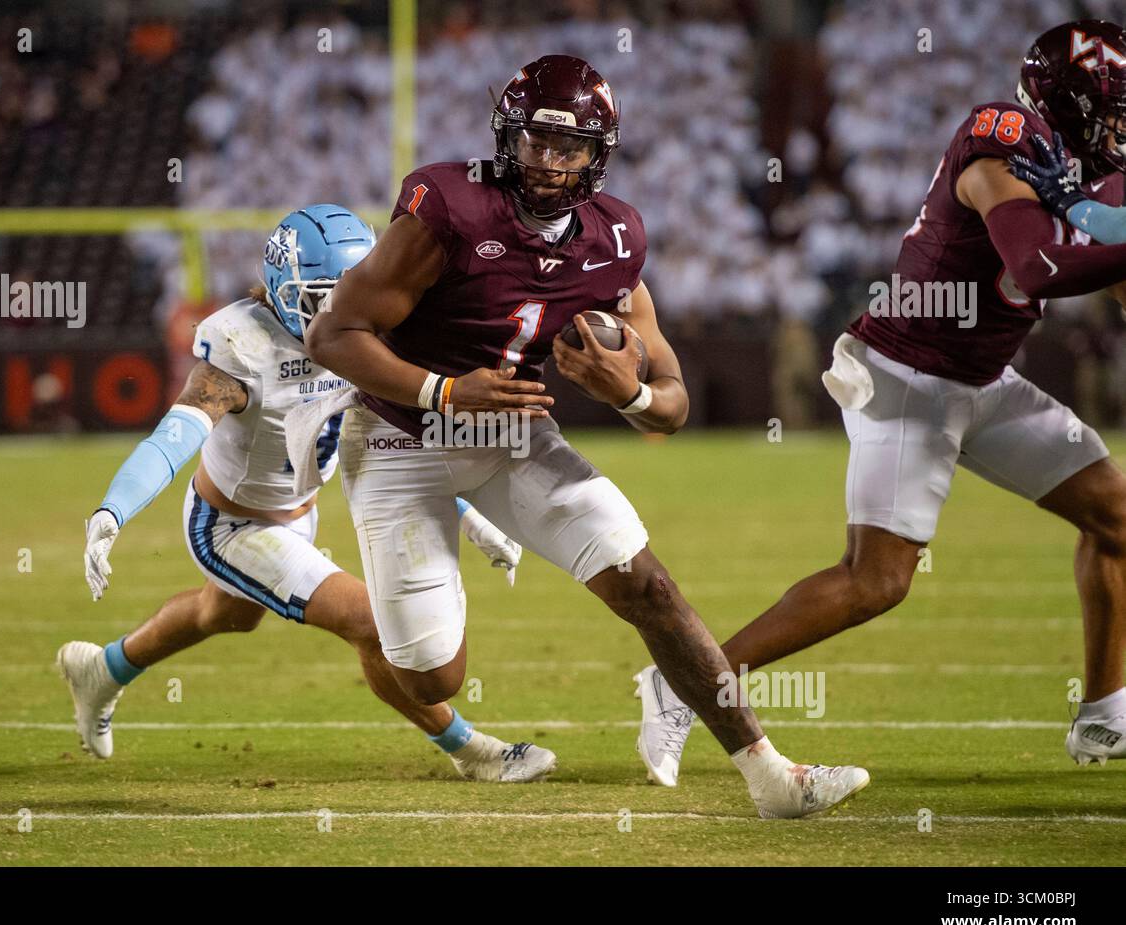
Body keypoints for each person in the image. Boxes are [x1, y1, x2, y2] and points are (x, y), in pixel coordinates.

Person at [301, 55, 869, 818]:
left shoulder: (616, 238)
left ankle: (772, 777)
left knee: (649, 585)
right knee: (432, 675)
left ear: (598, 156)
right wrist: (441, 388)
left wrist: (627, 391)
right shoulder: (450, 210)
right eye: (534, 142)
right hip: (401, 436)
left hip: (511, 433)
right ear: (507, 139)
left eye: (567, 149)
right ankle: (425, 594)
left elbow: (672, 404)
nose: (547, 162)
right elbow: (332, 335)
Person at [639, 19, 1126, 785]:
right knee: (877, 580)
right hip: (909, 378)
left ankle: (1103, 714)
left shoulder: (1080, 164)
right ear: (1075, 103)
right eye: (1118, 110)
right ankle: (684, 681)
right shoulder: (1001, 140)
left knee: (1115, 516)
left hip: (982, 379)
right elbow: (1035, 265)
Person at [59, 204, 555, 783]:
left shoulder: (364, 333)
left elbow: (392, 443)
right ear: (285, 289)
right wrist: (112, 510)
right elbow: (175, 435)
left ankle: (103, 669)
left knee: (222, 614)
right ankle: (471, 750)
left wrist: (468, 516)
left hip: (301, 514)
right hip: (232, 527)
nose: (342, 308)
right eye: (325, 294)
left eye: (354, 288)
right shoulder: (241, 345)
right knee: (370, 621)